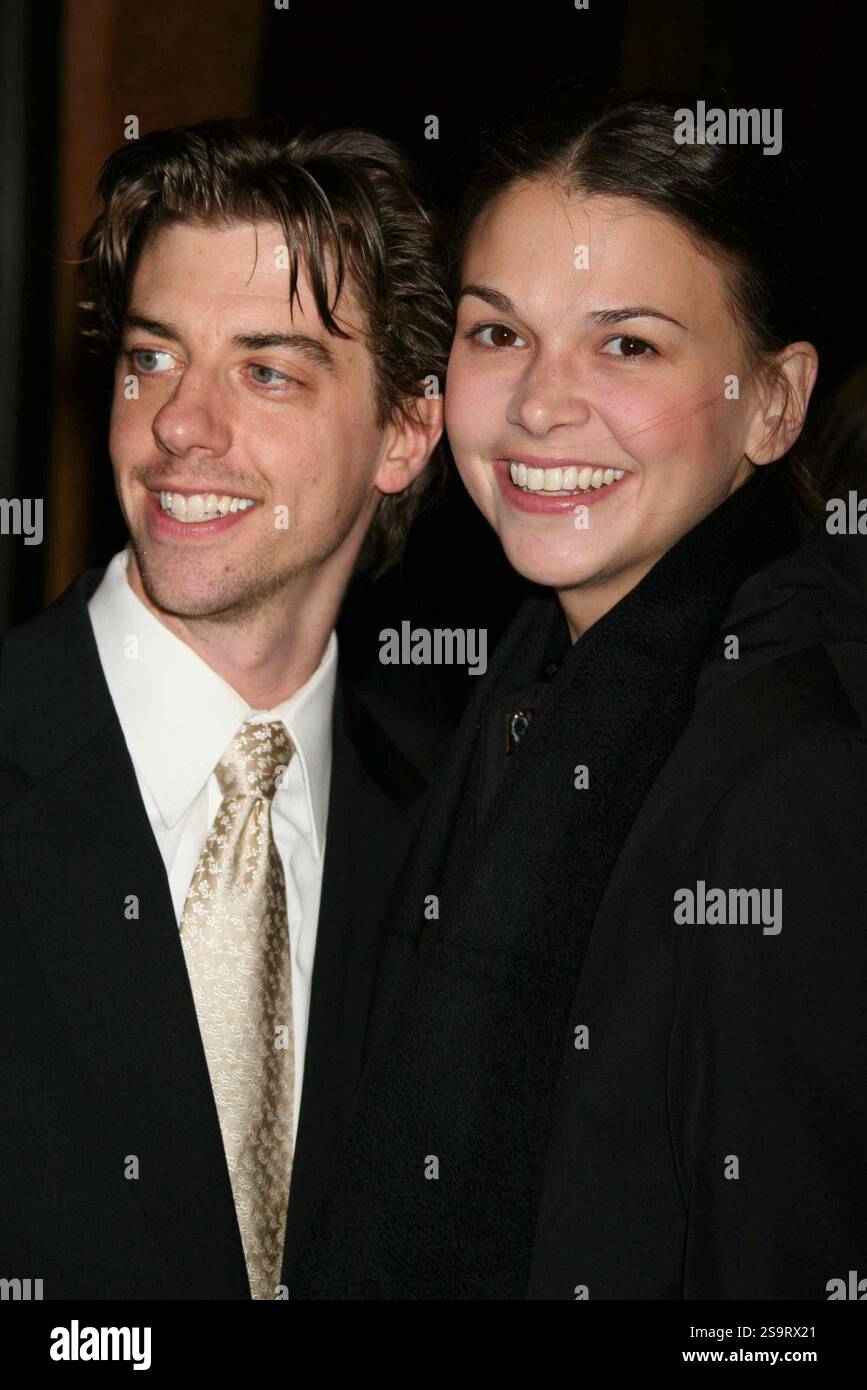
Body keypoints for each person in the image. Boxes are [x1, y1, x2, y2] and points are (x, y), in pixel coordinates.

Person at [289, 96, 867, 1300]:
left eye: (629, 345)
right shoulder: (529, 696)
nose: (542, 404)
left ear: (774, 402)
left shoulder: (792, 779)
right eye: (498, 334)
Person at [0, 115, 454, 1299]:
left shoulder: (460, 821)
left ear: (405, 430)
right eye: (152, 356)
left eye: (265, 370)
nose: (178, 426)